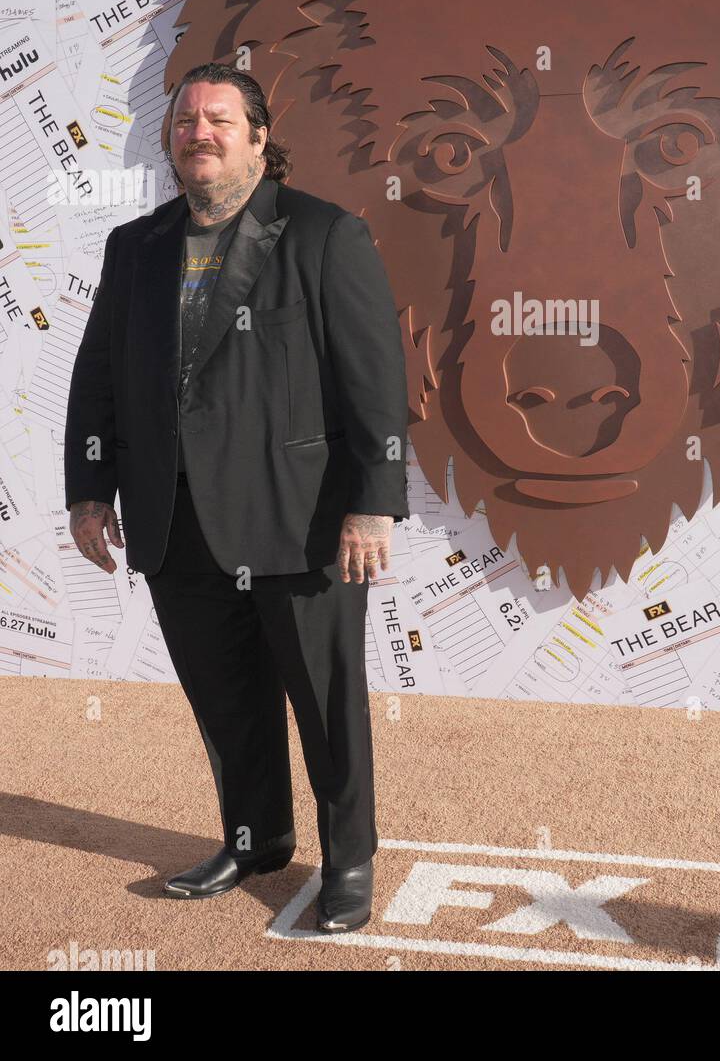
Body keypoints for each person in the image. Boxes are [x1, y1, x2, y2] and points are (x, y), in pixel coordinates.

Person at [64, 61, 409, 933]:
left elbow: (373, 381)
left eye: (219, 120)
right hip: (173, 523)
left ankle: (349, 861)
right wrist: (89, 489)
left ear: (260, 137)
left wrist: (372, 504)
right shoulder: (134, 246)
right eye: (185, 122)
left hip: (299, 521)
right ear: (170, 139)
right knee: (225, 701)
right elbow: (98, 374)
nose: (199, 134)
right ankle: (254, 840)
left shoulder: (325, 236)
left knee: (327, 707)